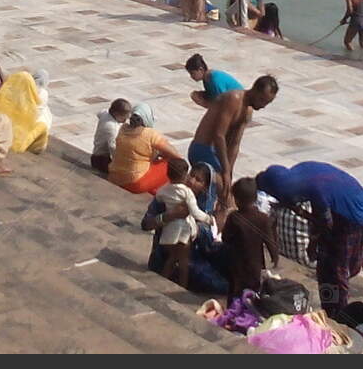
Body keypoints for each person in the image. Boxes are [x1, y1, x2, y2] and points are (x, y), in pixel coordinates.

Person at [257, 161, 363, 318]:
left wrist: (313, 242)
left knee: (335, 271)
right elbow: (320, 218)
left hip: (351, 219)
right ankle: (330, 309)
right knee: (326, 270)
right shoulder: (300, 174)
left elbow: (325, 223)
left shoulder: (316, 191)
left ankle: (338, 316)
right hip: (342, 209)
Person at [190, 75, 278, 219]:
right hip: (202, 149)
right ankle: (223, 227)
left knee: (228, 190)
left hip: (216, 156)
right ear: (254, 90)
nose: (263, 106)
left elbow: (234, 144)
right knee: (226, 195)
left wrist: (229, 172)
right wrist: (224, 171)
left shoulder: (248, 112)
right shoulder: (234, 99)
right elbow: (219, 135)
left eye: (267, 103)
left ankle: (222, 224)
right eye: (262, 100)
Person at [153, 158, 215, 288]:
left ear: (205, 187)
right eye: (191, 175)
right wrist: (169, 216)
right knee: (183, 262)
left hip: (196, 258)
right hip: (170, 244)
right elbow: (146, 224)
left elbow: (208, 243)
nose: (192, 181)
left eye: (198, 180)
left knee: (178, 260)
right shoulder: (184, 194)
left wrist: (201, 229)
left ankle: (167, 282)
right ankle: (181, 286)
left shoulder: (166, 191)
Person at [221, 176, 279, 300]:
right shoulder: (263, 218)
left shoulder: (234, 217)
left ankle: (233, 312)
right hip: (255, 264)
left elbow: (225, 237)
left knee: (234, 291)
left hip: (236, 263)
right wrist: (275, 256)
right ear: (255, 198)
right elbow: (269, 240)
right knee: (253, 292)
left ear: (237, 200)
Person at [106, 103, 183, 193]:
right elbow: (177, 156)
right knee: (171, 164)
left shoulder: (123, 128)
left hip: (114, 177)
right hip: (135, 183)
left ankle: (155, 188)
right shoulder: (150, 134)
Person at [91, 98, 132, 174]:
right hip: (101, 160)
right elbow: (113, 148)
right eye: (124, 118)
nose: (125, 120)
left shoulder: (106, 113)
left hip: (96, 154)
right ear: (116, 114)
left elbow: (100, 113)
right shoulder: (111, 128)